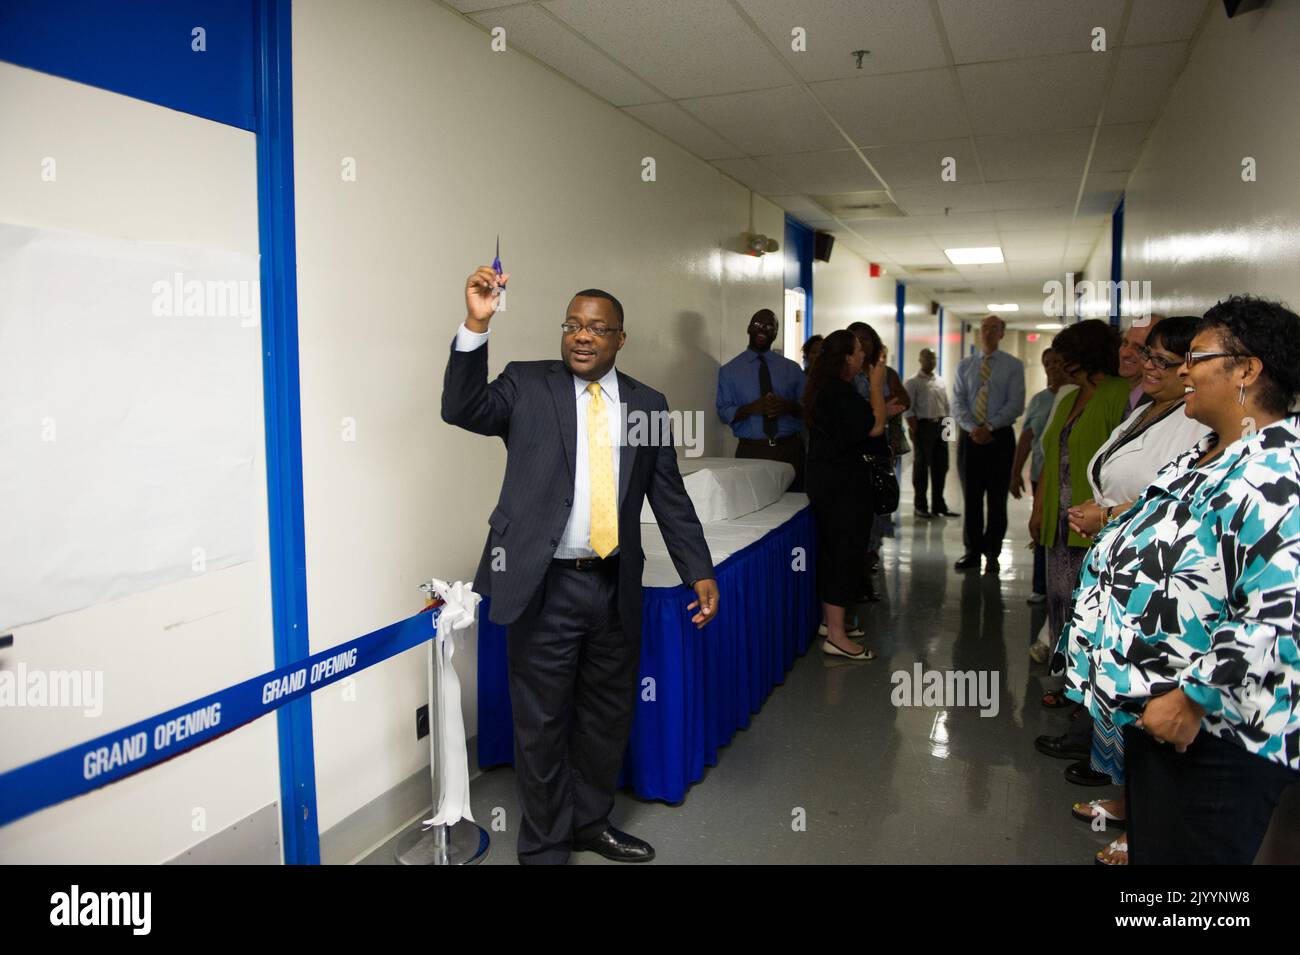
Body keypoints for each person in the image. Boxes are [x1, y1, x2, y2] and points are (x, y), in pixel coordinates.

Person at [442, 266, 719, 865]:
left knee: (604, 718)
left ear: (621, 338)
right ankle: (544, 848)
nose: (582, 336)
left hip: (614, 585)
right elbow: (461, 406)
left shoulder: (647, 404)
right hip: (543, 587)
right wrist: (476, 323)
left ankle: (590, 823)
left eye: (597, 328)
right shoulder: (526, 385)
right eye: (573, 325)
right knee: (540, 725)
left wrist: (699, 569)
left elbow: (667, 495)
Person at [1063, 296, 1300, 865]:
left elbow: (1280, 608)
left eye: (1197, 357)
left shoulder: (1276, 471)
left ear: (1247, 369)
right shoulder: (1212, 451)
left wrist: (1192, 699)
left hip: (1212, 730)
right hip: (1163, 716)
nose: (1184, 371)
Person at [1056, 316, 1211, 865]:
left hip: (1160, 586)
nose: (1146, 367)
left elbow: (1177, 498)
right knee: (1127, 706)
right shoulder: (1150, 407)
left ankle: (1146, 828)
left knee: (1153, 707)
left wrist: (1111, 513)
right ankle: (1126, 801)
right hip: (1125, 571)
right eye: (1146, 356)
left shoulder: (1201, 426)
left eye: (1160, 361)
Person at [1031, 320, 1129, 709]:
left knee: (1087, 608)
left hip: (1090, 523)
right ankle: (1067, 679)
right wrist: (1039, 507)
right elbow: (1051, 455)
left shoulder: (1119, 395)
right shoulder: (1070, 397)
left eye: (1065, 355)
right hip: (1059, 517)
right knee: (1059, 603)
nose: (1059, 363)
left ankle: (1087, 692)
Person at [804, 329, 886, 659]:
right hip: (842, 488)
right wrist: (877, 385)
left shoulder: (826, 389)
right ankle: (836, 636)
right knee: (843, 553)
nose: (863, 355)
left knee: (834, 551)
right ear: (846, 357)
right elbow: (874, 427)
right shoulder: (838, 392)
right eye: (857, 350)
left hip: (829, 482)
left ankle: (831, 622)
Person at [951, 314, 1026, 573]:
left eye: (994, 328)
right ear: (979, 332)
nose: (988, 333)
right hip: (970, 439)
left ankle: (992, 553)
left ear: (1002, 333)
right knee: (971, 498)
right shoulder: (964, 366)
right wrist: (974, 428)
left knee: (996, 499)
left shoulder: (1013, 366)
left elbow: (1015, 403)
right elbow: (958, 402)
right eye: (984, 328)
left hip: (1000, 438)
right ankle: (972, 551)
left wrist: (990, 426)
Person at [717, 308, 806, 491]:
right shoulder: (729, 371)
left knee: (795, 505)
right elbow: (724, 412)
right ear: (749, 328)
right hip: (752, 451)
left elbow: (810, 408)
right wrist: (752, 408)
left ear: (776, 333)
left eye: (769, 326)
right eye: (758, 324)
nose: (763, 330)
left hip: (789, 450)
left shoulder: (792, 369)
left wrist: (787, 406)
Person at [1011, 348, 1065, 604]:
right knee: (1040, 527)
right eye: (1048, 364)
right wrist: (1014, 472)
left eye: (1057, 363)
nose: (1052, 368)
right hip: (1039, 474)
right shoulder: (1039, 400)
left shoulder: (1076, 397)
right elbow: (1026, 438)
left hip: (1066, 476)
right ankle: (1040, 586)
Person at [905, 347, 956, 519]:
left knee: (941, 467)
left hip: (941, 425)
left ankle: (939, 505)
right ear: (920, 359)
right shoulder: (913, 382)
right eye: (927, 358)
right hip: (923, 427)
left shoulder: (940, 381)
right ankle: (920, 506)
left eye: (933, 358)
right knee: (921, 469)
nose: (931, 361)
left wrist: (949, 432)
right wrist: (914, 430)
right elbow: (908, 409)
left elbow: (947, 406)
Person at [1117, 314, 1164, 414]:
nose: (1125, 353)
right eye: (1125, 343)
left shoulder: (1159, 401)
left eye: (1139, 348)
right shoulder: (1118, 394)